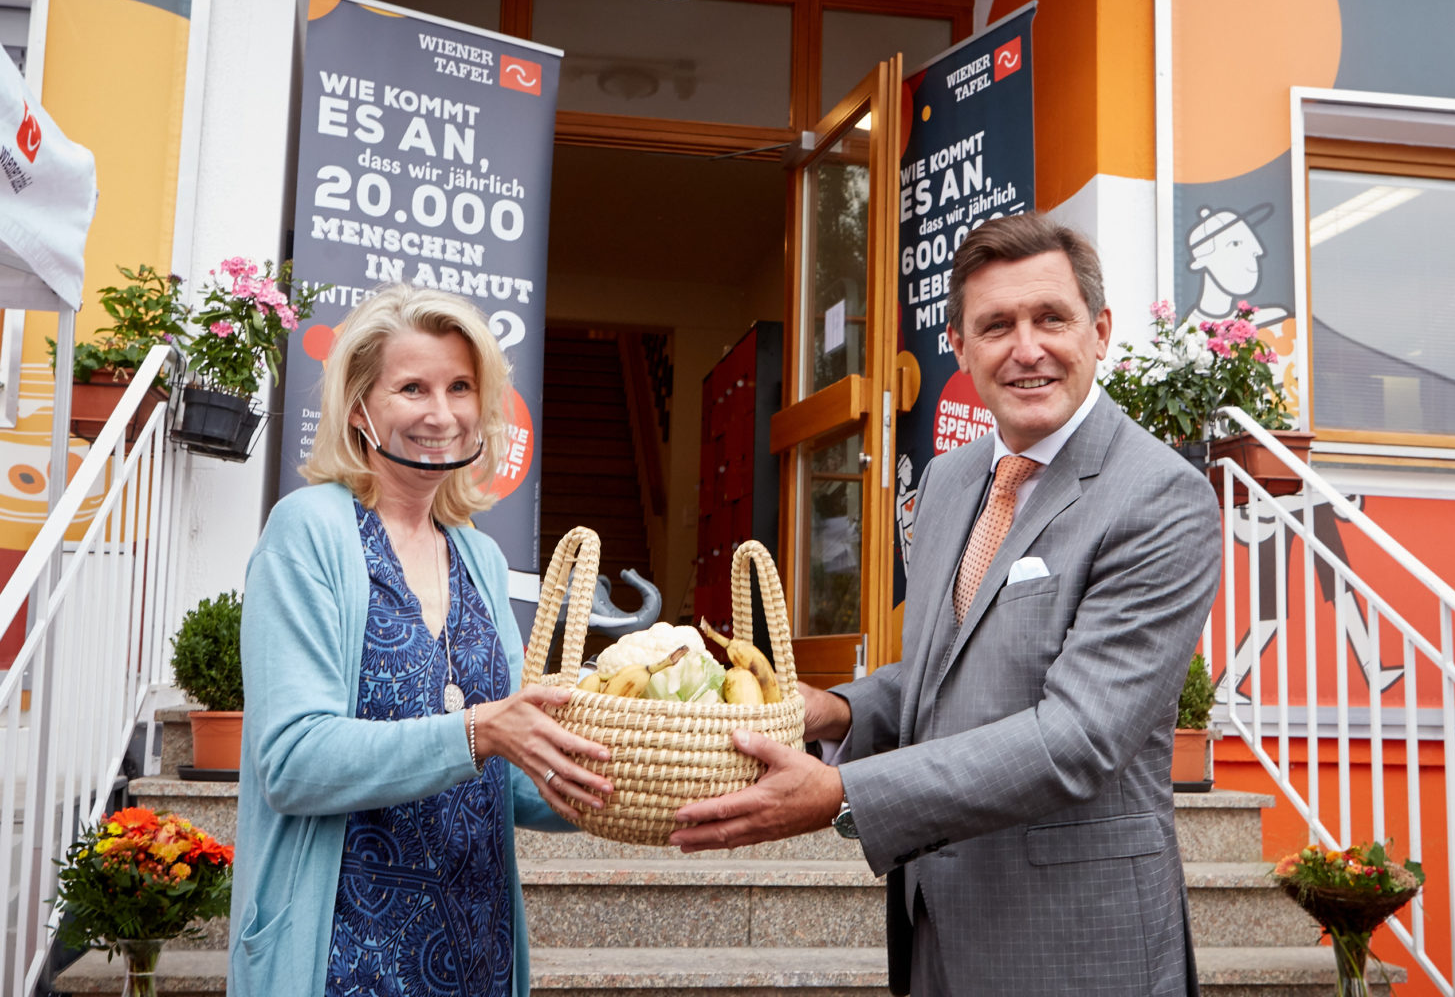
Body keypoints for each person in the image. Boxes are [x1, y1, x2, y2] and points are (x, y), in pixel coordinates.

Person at [670, 213, 1222, 996]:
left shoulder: (1162, 497)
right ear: (960, 349)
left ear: (1099, 332)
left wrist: (842, 791)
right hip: (937, 928)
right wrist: (830, 710)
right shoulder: (947, 481)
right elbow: (945, 673)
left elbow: (1079, 738)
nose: (1027, 348)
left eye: (1051, 319)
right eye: (996, 325)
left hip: (1079, 945)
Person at [227, 283, 612, 996]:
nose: (442, 413)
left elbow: (502, 781)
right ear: (359, 408)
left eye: (461, 387)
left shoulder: (479, 558)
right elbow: (291, 759)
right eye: (413, 387)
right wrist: (478, 732)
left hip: (477, 956)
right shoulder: (307, 531)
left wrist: (613, 785)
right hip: (345, 960)